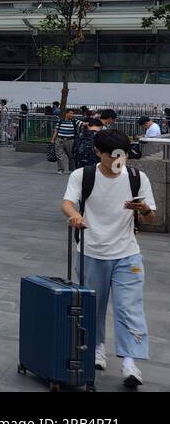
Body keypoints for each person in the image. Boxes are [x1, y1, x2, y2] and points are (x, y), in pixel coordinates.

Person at [62, 129, 156, 387]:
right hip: (91, 252)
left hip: (128, 254)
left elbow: (151, 218)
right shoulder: (83, 176)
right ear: (97, 153)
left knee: (129, 307)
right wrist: (75, 215)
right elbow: (68, 203)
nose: (117, 161)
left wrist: (145, 209)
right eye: (112, 155)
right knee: (94, 307)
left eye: (122, 155)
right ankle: (97, 348)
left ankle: (130, 362)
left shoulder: (138, 178)